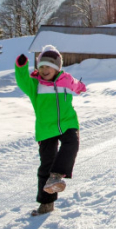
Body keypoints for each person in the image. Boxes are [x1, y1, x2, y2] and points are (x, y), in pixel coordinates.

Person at [15, 44, 87, 216]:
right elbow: (22, 81)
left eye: (49, 66)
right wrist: (21, 66)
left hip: (67, 122)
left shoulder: (66, 79)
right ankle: (46, 203)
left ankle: (56, 175)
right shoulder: (35, 85)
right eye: (41, 66)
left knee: (72, 143)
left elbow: (77, 85)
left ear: (57, 68)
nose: (45, 70)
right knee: (46, 165)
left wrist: (81, 87)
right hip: (46, 128)